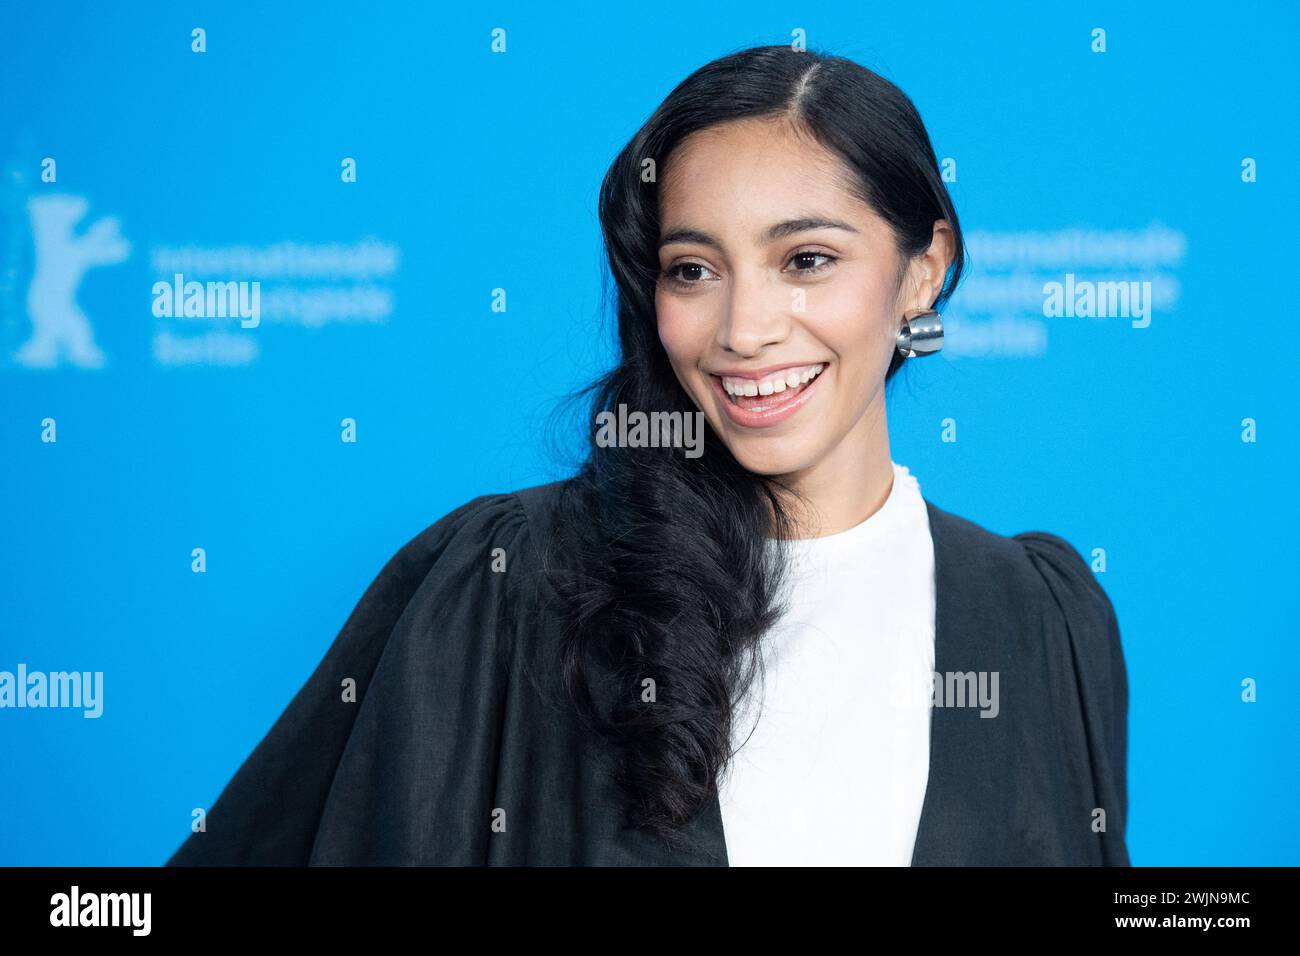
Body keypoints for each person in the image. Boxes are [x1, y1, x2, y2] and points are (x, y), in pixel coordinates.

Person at [165, 44, 1129, 866]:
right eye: (693, 270)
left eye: (807, 260)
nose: (744, 329)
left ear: (924, 269)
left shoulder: (1041, 616)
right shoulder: (508, 582)